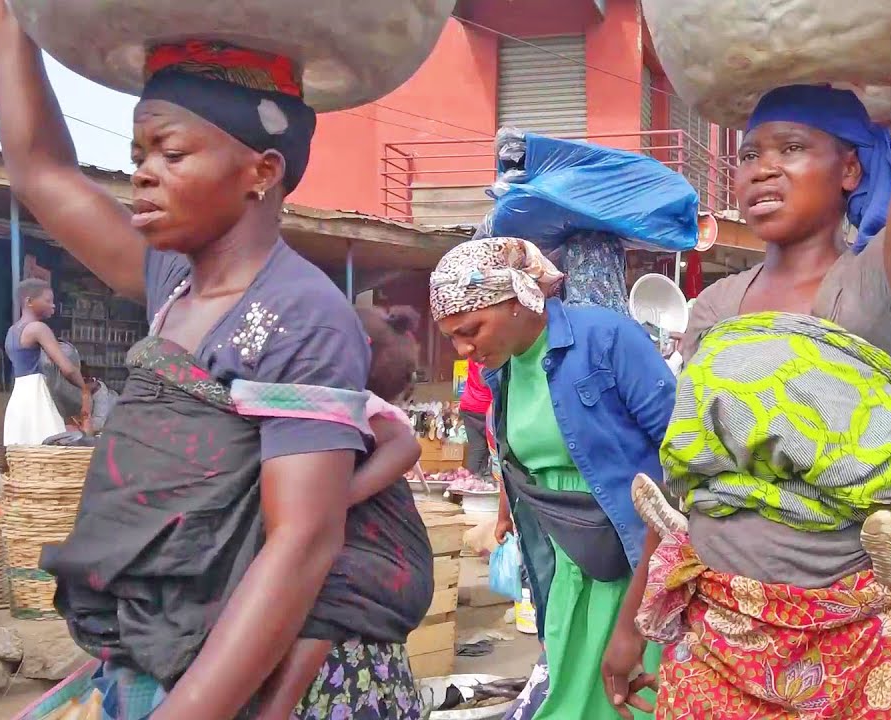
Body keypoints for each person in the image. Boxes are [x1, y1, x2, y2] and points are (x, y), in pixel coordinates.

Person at [606, 0, 891, 716]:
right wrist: (632, 625)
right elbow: (689, 483)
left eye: (791, 149)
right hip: (717, 634)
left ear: (850, 167)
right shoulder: (713, 309)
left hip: (860, 637)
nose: (763, 169)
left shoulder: (888, 282)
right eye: (750, 154)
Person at [0, 13, 386, 717]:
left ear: (261, 172)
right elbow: (40, 170)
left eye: (171, 153)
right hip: (164, 645)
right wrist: (11, 19)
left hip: (240, 675)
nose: (143, 173)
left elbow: (302, 541)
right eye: (139, 153)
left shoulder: (301, 317)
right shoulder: (173, 283)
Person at [430, 236, 676, 720]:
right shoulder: (503, 372)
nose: (463, 349)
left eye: (471, 330)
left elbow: (681, 453)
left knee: (627, 695)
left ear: (517, 299)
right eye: (451, 338)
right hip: (566, 559)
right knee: (570, 687)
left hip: (632, 555)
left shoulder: (606, 339)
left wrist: (637, 616)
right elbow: (520, 460)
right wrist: (506, 509)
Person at [258, 306, 433, 720]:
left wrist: (337, 500)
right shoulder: (320, 403)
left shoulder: (343, 404)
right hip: (386, 568)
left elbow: (406, 446)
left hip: (380, 569)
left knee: (323, 591)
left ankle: (274, 710)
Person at [3, 277, 91, 444]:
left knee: (24, 448)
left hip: (19, 395)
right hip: (38, 395)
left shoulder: (12, 331)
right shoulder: (38, 328)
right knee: (48, 446)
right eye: (48, 300)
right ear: (29, 301)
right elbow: (67, 368)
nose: (53, 305)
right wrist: (85, 389)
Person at [460, 359, 493, 477]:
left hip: (469, 405)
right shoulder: (490, 355)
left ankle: (473, 481)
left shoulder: (473, 352)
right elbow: (484, 379)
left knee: (477, 448)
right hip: (485, 407)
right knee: (494, 449)